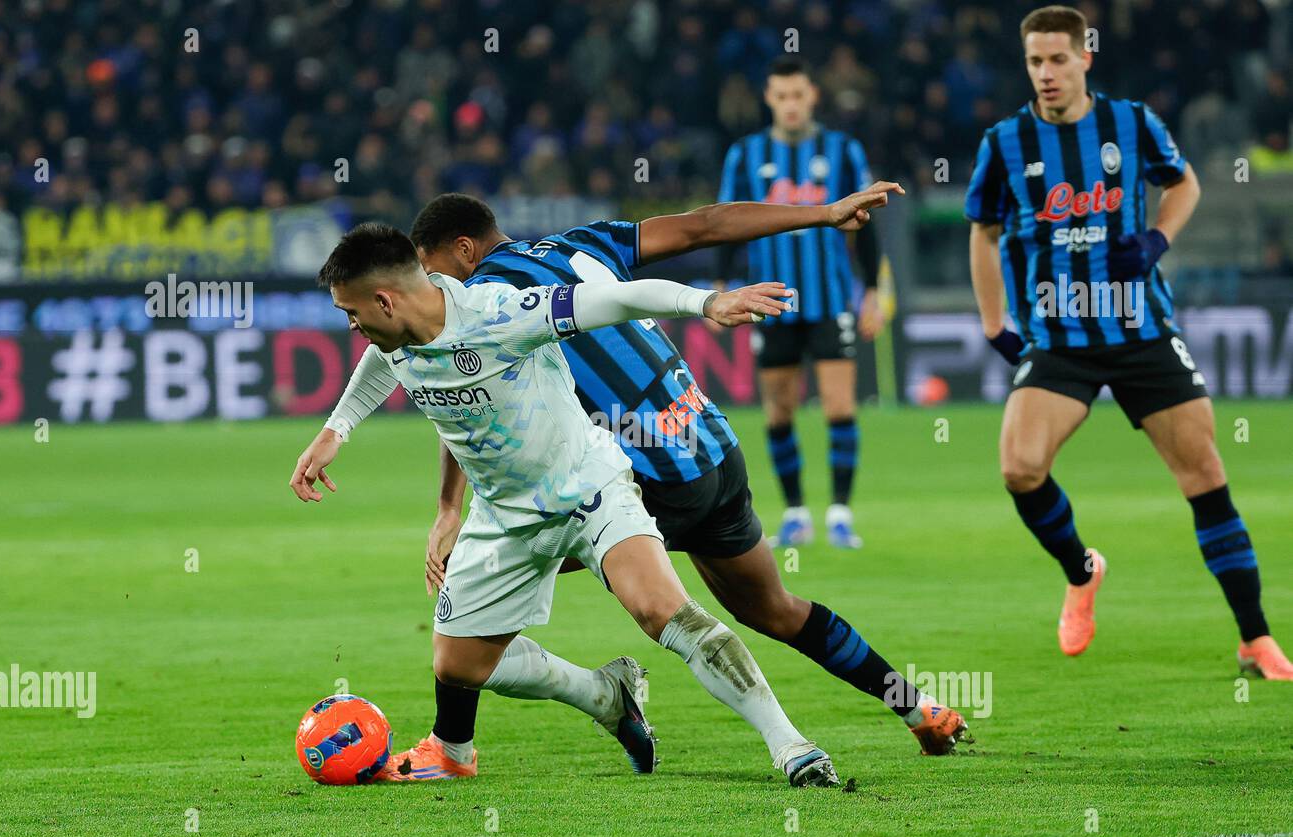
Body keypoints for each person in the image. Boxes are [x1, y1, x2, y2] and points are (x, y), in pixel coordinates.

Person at [409, 191, 967, 758]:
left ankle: (461, 741)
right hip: (712, 448)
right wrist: (823, 215)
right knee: (773, 607)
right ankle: (918, 706)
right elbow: (708, 224)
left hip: (648, 477)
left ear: (464, 251)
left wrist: (450, 512)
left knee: (477, 600)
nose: (429, 294)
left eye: (431, 275)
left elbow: (468, 398)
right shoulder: (586, 242)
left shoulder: (482, 301)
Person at [293, 221, 843, 787]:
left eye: (351, 312)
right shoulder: (397, 334)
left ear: (385, 299)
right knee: (457, 667)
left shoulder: (500, 313)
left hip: (588, 489)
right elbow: (379, 367)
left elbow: (620, 297)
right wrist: (336, 430)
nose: (352, 326)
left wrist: (706, 300)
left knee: (662, 611)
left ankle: (791, 745)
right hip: (504, 516)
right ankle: (603, 697)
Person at [965, 5, 1290, 678]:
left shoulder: (1132, 123)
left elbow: (1186, 182)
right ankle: (1082, 570)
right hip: (1058, 338)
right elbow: (985, 232)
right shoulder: (1004, 142)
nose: (1046, 73)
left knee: (1204, 475)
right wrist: (994, 324)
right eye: (1034, 61)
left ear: (1087, 56)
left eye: (1058, 59)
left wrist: (1158, 238)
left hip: (1140, 328)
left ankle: (1255, 639)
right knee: (1019, 468)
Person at [717, 54, 885, 549]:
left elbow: (868, 225)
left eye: (798, 95)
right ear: (770, 99)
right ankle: (794, 513)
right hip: (772, 300)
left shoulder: (843, 151)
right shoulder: (745, 156)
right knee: (780, 410)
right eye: (781, 96)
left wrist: (872, 290)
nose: (791, 105)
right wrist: (720, 287)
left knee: (839, 405)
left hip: (831, 299)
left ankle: (838, 513)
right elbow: (726, 223)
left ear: (812, 96)